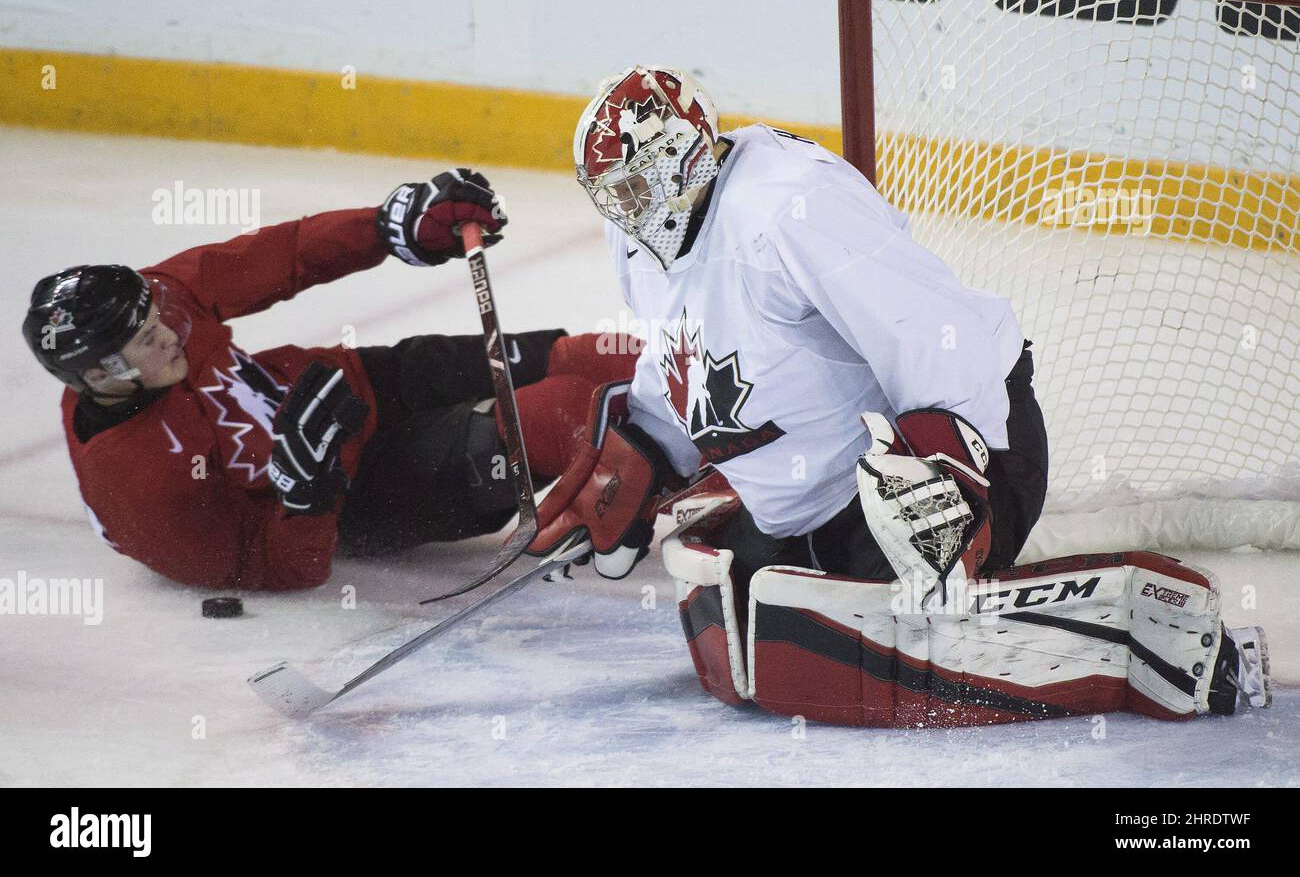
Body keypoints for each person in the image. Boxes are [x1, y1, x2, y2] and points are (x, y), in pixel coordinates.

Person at [522, 65, 1269, 726]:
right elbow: (680, 352)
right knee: (752, 624)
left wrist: (952, 480)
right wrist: (647, 450)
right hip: (814, 501)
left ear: (680, 159)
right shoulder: (643, 238)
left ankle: (1169, 646)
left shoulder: (789, 206)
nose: (621, 211)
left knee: (857, 656)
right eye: (608, 195)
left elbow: (939, 336)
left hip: (963, 445)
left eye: (631, 188)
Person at [22, 170, 637, 591]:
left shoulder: (154, 309)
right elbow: (271, 566)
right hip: (363, 490)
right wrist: (307, 496)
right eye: (146, 338)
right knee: (564, 413)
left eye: (159, 316)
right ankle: (690, 473)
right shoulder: (140, 485)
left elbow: (283, 255)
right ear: (104, 373)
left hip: (360, 384)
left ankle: (714, 448)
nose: (169, 332)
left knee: (607, 357)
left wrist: (384, 227)